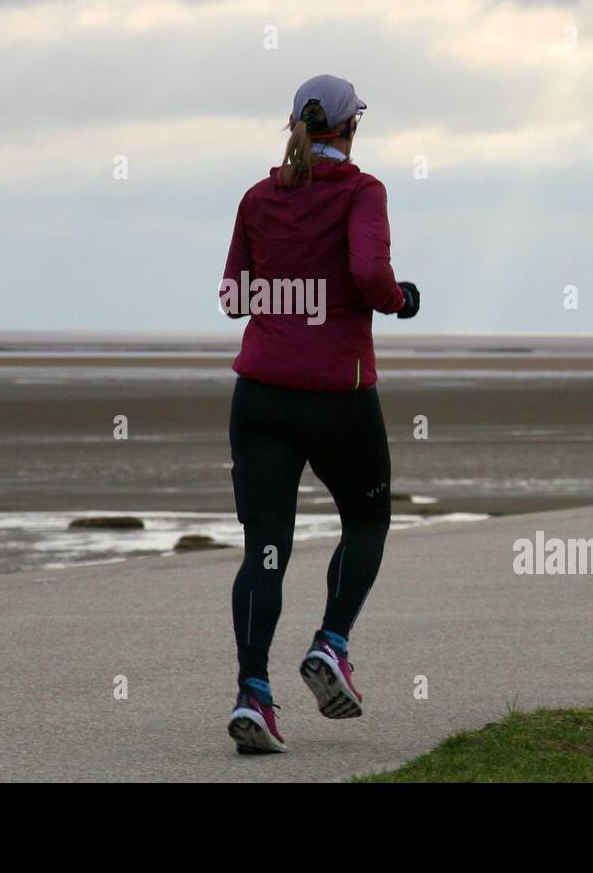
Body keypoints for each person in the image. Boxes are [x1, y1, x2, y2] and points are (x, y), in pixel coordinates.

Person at [218, 74, 420, 754]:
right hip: (337, 395)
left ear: (296, 127)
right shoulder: (364, 193)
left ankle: (253, 692)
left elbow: (232, 296)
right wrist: (399, 299)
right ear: (351, 128)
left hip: (261, 397)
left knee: (265, 550)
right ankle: (332, 644)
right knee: (367, 518)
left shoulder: (256, 197)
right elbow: (369, 274)